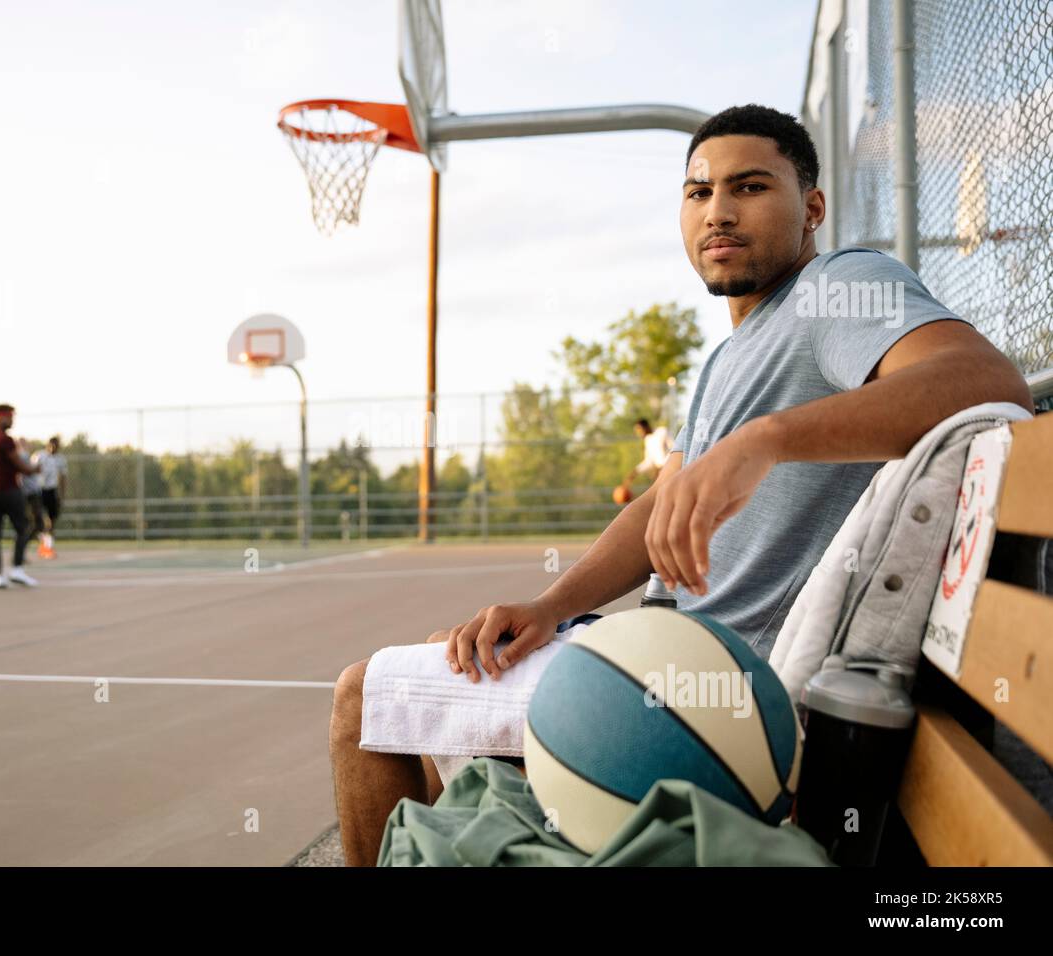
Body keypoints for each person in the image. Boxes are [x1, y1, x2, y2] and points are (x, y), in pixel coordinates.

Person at [328, 103, 1035, 866]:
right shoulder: (728, 356)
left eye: (751, 187)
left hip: (712, 692)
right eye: (698, 193)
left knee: (362, 696)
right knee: (452, 655)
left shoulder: (836, 286)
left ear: (813, 209)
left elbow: (985, 382)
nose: (719, 212)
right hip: (659, 654)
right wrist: (550, 607)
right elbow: (657, 507)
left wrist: (765, 440)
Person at [0, 403, 42, 589]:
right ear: (1, 417)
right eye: (10, 416)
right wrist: (34, 469)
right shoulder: (5, 440)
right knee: (23, 527)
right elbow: (19, 465)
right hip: (8, 490)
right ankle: (16, 569)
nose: (12, 419)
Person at [32, 436, 67, 558]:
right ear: (48, 444)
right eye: (52, 445)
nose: (54, 448)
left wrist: (62, 495)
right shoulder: (39, 456)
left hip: (52, 491)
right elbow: (31, 471)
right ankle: (43, 545)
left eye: (56, 446)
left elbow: (63, 478)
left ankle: (48, 547)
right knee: (38, 520)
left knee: (51, 521)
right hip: (39, 490)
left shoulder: (60, 459)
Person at [621, 418, 672, 494]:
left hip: (671, 470)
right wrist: (635, 472)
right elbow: (649, 461)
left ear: (646, 427)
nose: (638, 433)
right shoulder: (648, 440)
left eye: (639, 430)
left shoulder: (662, 432)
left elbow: (674, 449)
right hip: (660, 475)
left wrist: (664, 466)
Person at [18, 437, 47, 553]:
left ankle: (22, 547)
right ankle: (21, 547)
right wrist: (36, 469)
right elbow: (24, 471)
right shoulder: (22, 455)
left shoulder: (26, 456)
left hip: (32, 492)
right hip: (29, 494)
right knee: (36, 523)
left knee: (36, 523)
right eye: (24, 442)